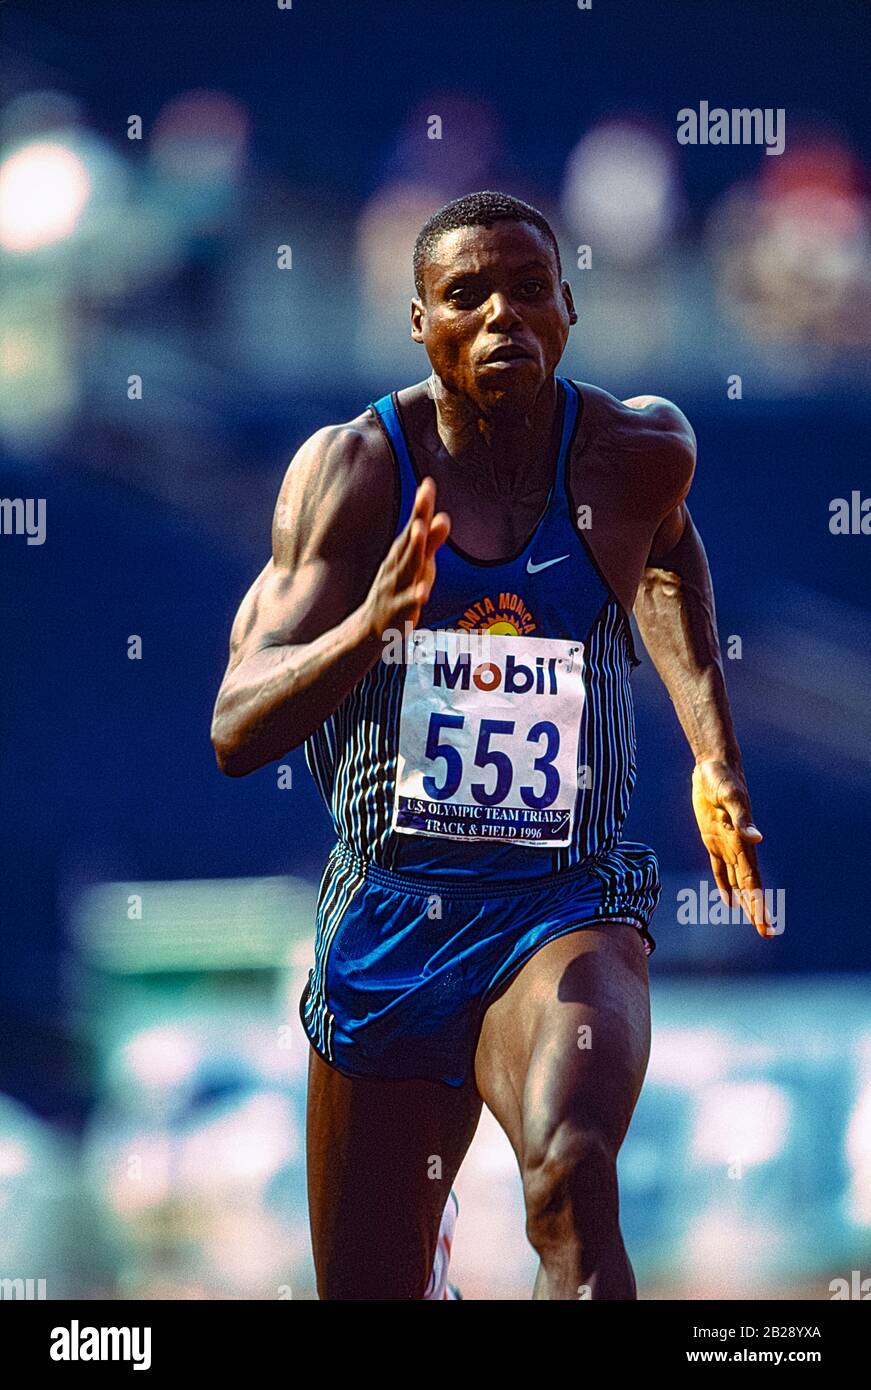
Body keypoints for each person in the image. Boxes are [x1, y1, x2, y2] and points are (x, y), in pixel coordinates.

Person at [211, 190, 770, 1300]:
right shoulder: (354, 474)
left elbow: (665, 555)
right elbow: (235, 727)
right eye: (466, 295)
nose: (502, 314)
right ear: (419, 323)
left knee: (571, 1174)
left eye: (527, 288)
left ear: (568, 307)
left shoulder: (633, 453)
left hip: (564, 903)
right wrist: (369, 627)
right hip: (392, 914)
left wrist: (713, 754)